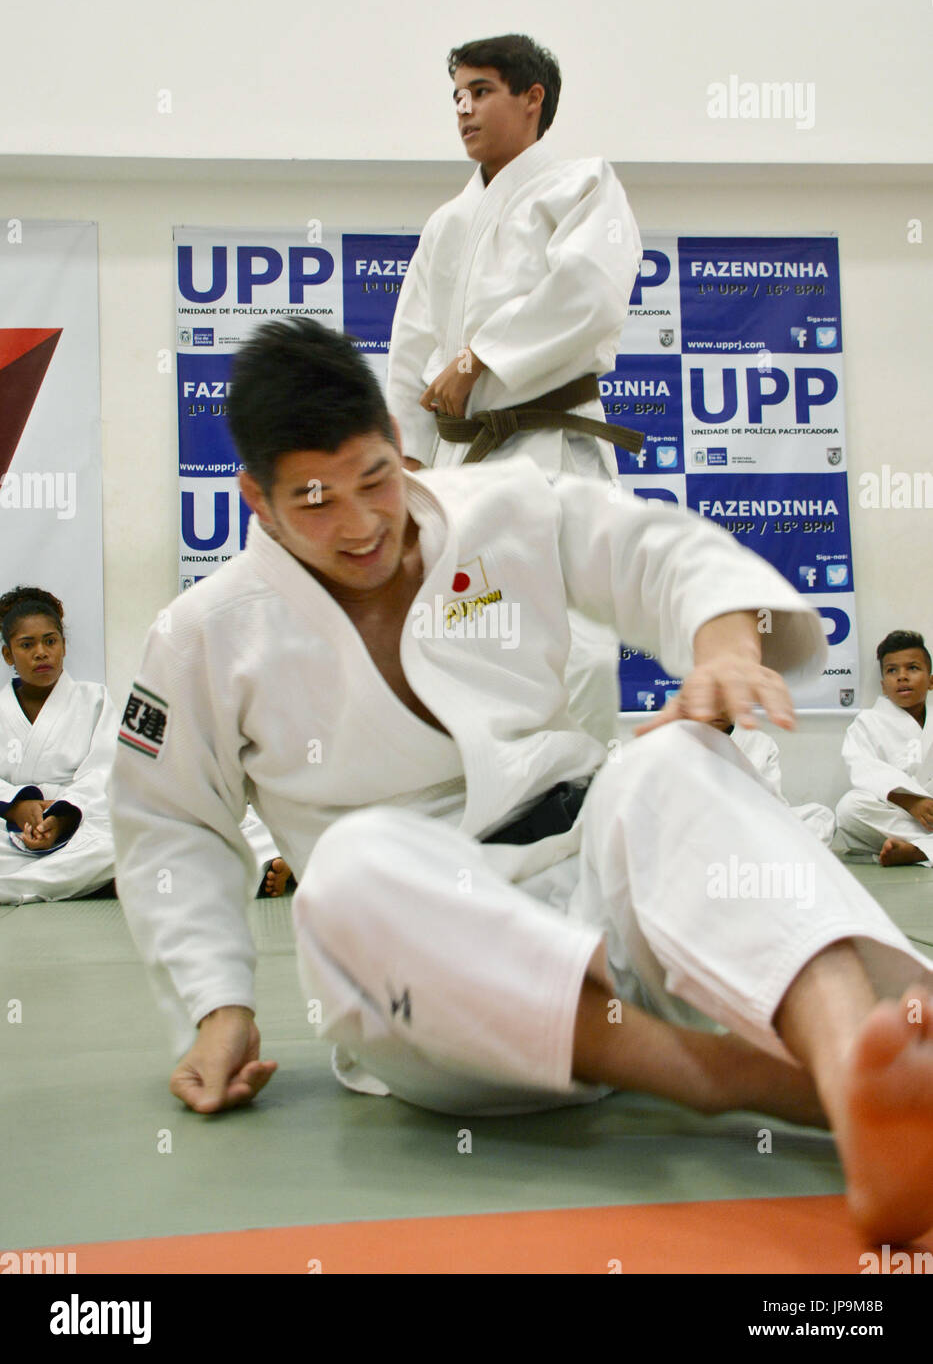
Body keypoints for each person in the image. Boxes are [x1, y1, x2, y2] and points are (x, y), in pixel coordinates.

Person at [112, 321, 933, 1246]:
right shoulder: (207, 632)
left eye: (375, 476)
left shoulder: (500, 505)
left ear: (393, 432)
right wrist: (216, 1006)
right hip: (441, 986)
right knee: (345, 871)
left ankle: (857, 1076)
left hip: (595, 885)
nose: (360, 524)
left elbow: (658, 555)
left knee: (669, 757)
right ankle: (748, 1081)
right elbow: (169, 824)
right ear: (254, 498)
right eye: (314, 500)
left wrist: (723, 642)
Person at [386, 33, 643, 742]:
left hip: (551, 450)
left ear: (532, 99)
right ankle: (484, 811)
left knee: (577, 643)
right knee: (460, 634)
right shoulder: (447, 222)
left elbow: (589, 291)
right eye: (457, 97)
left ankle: (577, 808)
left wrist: (480, 358)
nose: (464, 110)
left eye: (482, 91)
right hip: (460, 466)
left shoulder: (582, 184)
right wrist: (404, 461)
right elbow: (411, 346)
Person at [0, 586, 118, 904]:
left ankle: (82, 880)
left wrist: (62, 817)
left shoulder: (94, 699)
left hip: (79, 823)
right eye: (27, 645)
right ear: (8, 654)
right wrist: (16, 805)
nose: (41, 652)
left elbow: (104, 771)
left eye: (50, 641)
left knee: (128, 835)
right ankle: (98, 884)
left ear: (63, 646)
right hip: (9, 828)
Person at [836, 630, 933, 867]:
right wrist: (911, 802)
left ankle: (918, 850)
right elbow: (863, 769)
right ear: (883, 685)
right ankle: (923, 848)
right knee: (849, 808)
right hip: (899, 812)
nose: (902, 677)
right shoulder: (867, 722)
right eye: (892, 670)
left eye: (912, 668)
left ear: (931, 681)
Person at [708, 713, 836, 846]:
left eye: (723, 700)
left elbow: (773, 805)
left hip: (753, 823)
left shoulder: (760, 741)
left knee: (821, 817)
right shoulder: (685, 736)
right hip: (705, 824)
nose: (718, 709)